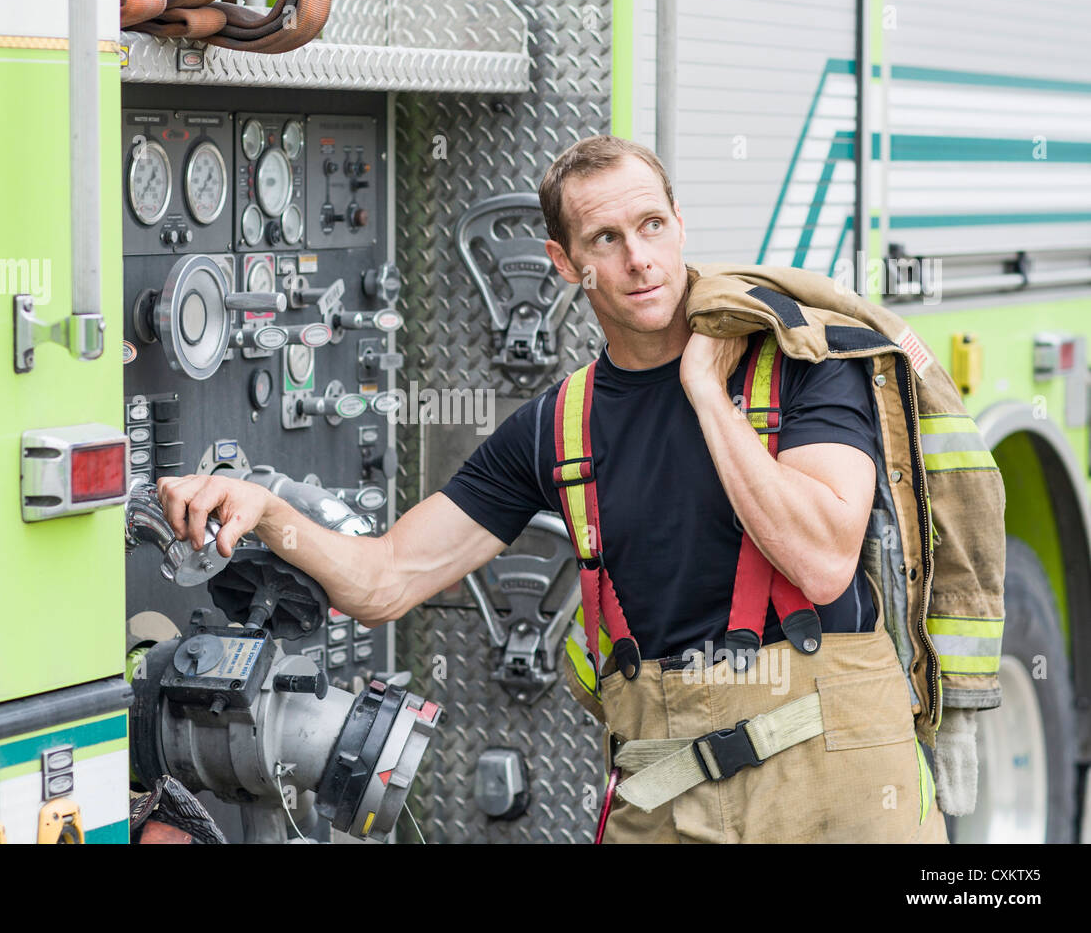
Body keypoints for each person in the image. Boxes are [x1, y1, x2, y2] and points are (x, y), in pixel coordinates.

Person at [156, 134, 948, 843]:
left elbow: (822, 560)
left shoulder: (802, 363)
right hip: (671, 795)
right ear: (567, 264)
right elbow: (386, 579)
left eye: (651, 226)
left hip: (838, 785)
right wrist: (268, 514)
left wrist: (706, 393)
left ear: (680, 223)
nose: (639, 259)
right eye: (606, 238)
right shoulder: (554, 428)